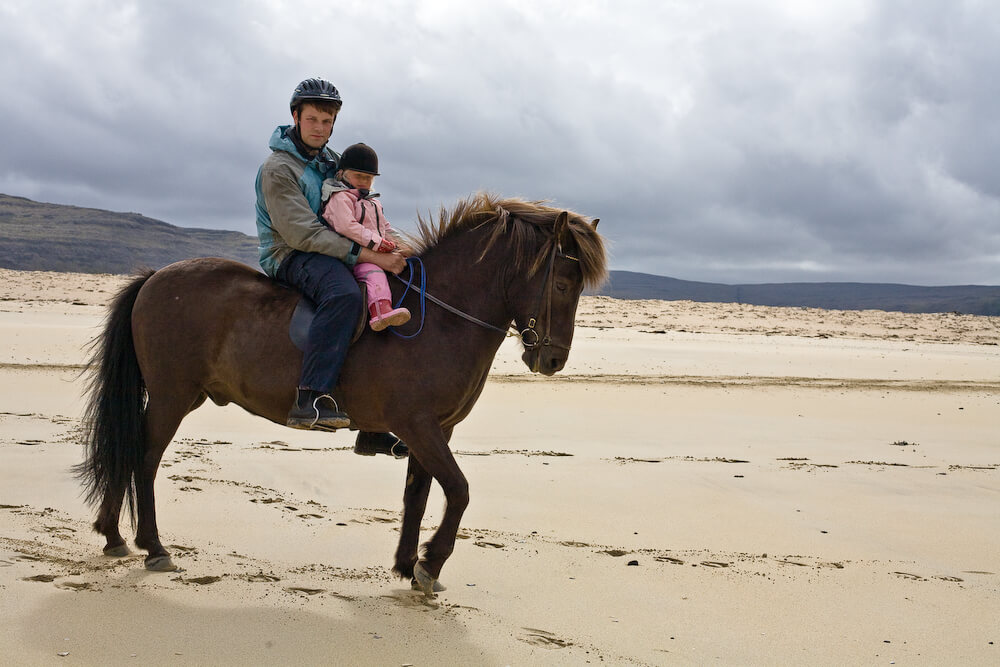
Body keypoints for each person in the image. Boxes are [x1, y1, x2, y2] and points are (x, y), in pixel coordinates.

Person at [254, 78, 408, 458]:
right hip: (289, 253)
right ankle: (309, 398)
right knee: (342, 294)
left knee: (384, 295)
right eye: (312, 119)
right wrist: (370, 256)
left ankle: (371, 425)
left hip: (331, 250)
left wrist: (394, 245)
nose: (320, 128)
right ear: (295, 116)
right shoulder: (278, 168)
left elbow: (359, 207)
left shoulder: (331, 162)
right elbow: (302, 233)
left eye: (327, 121)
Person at [321, 143, 411, 332]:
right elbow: (346, 226)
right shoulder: (340, 198)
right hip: (352, 256)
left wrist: (402, 245)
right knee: (373, 273)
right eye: (358, 176)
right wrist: (379, 244)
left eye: (368, 178)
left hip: (375, 250)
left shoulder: (373, 202)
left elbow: (385, 227)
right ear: (341, 174)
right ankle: (380, 311)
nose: (363, 181)